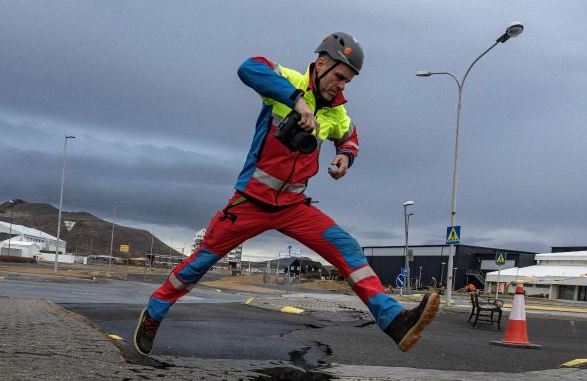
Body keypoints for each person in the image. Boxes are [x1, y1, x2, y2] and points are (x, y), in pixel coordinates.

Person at [134, 32, 439, 357]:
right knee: (201, 261)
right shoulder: (288, 82)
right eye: (338, 76)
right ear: (321, 63)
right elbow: (249, 68)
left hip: (294, 206)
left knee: (347, 247)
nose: (341, 85)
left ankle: (394, 321)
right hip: (250, 201)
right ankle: (154, 312)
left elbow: (350, 135)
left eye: (347, 81)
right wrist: (296, 100)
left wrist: (345, 157)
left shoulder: (335, 113)